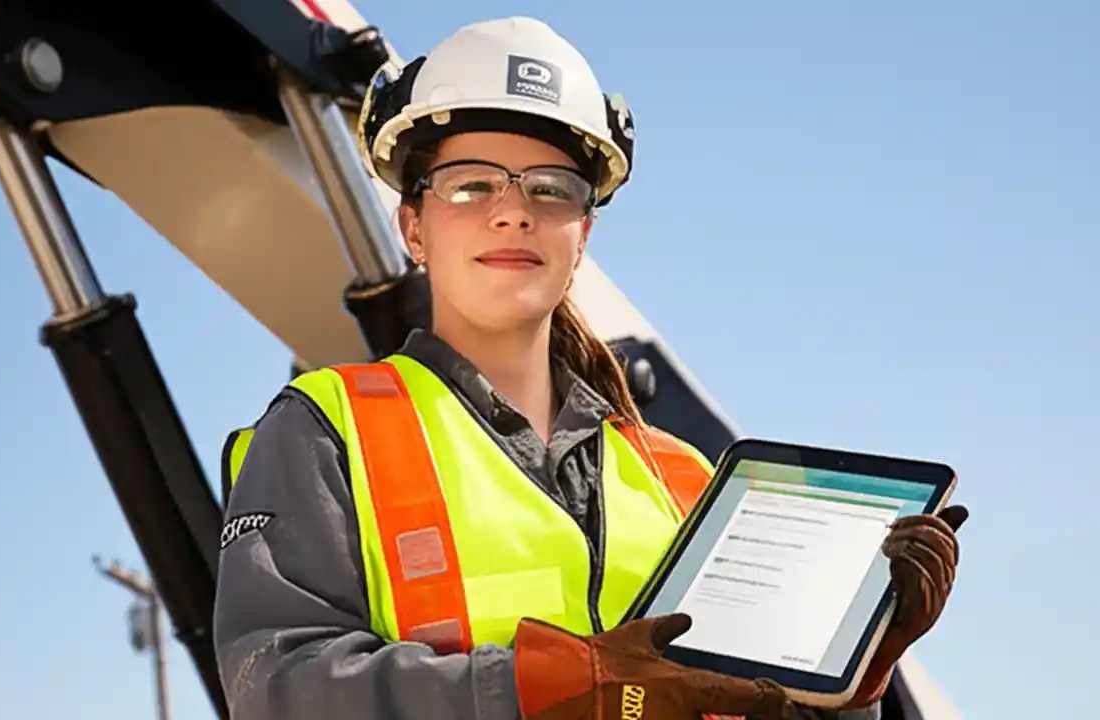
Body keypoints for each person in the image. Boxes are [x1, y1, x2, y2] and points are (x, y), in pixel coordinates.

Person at [213, 16, 967, 720]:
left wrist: (854, 678)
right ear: (414, 225)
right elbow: (279, 686)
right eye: (472, 185)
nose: (513, 212)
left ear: (583, 233)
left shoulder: (681, 479)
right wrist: (570, 683)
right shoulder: (326, 428)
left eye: (550, 189)